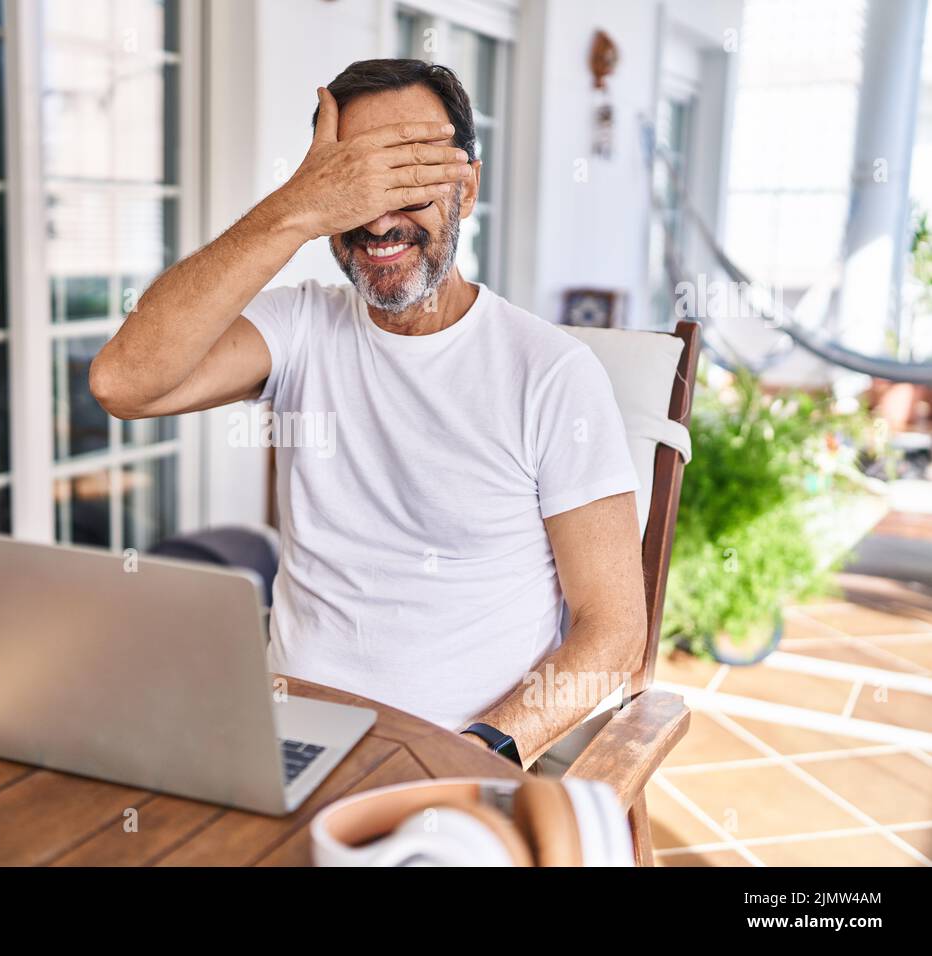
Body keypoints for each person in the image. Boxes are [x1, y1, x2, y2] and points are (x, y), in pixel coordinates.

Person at [90, 59, 646, 767]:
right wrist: (294, 208)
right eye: (355, 184)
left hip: (453, 758)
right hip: (283, 741)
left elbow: (615, 630)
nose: (379, 219)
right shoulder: (300, 328)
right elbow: (122, 382)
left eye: (407, 181)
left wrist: (482, 752)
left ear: (465, 186)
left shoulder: (550, 375)